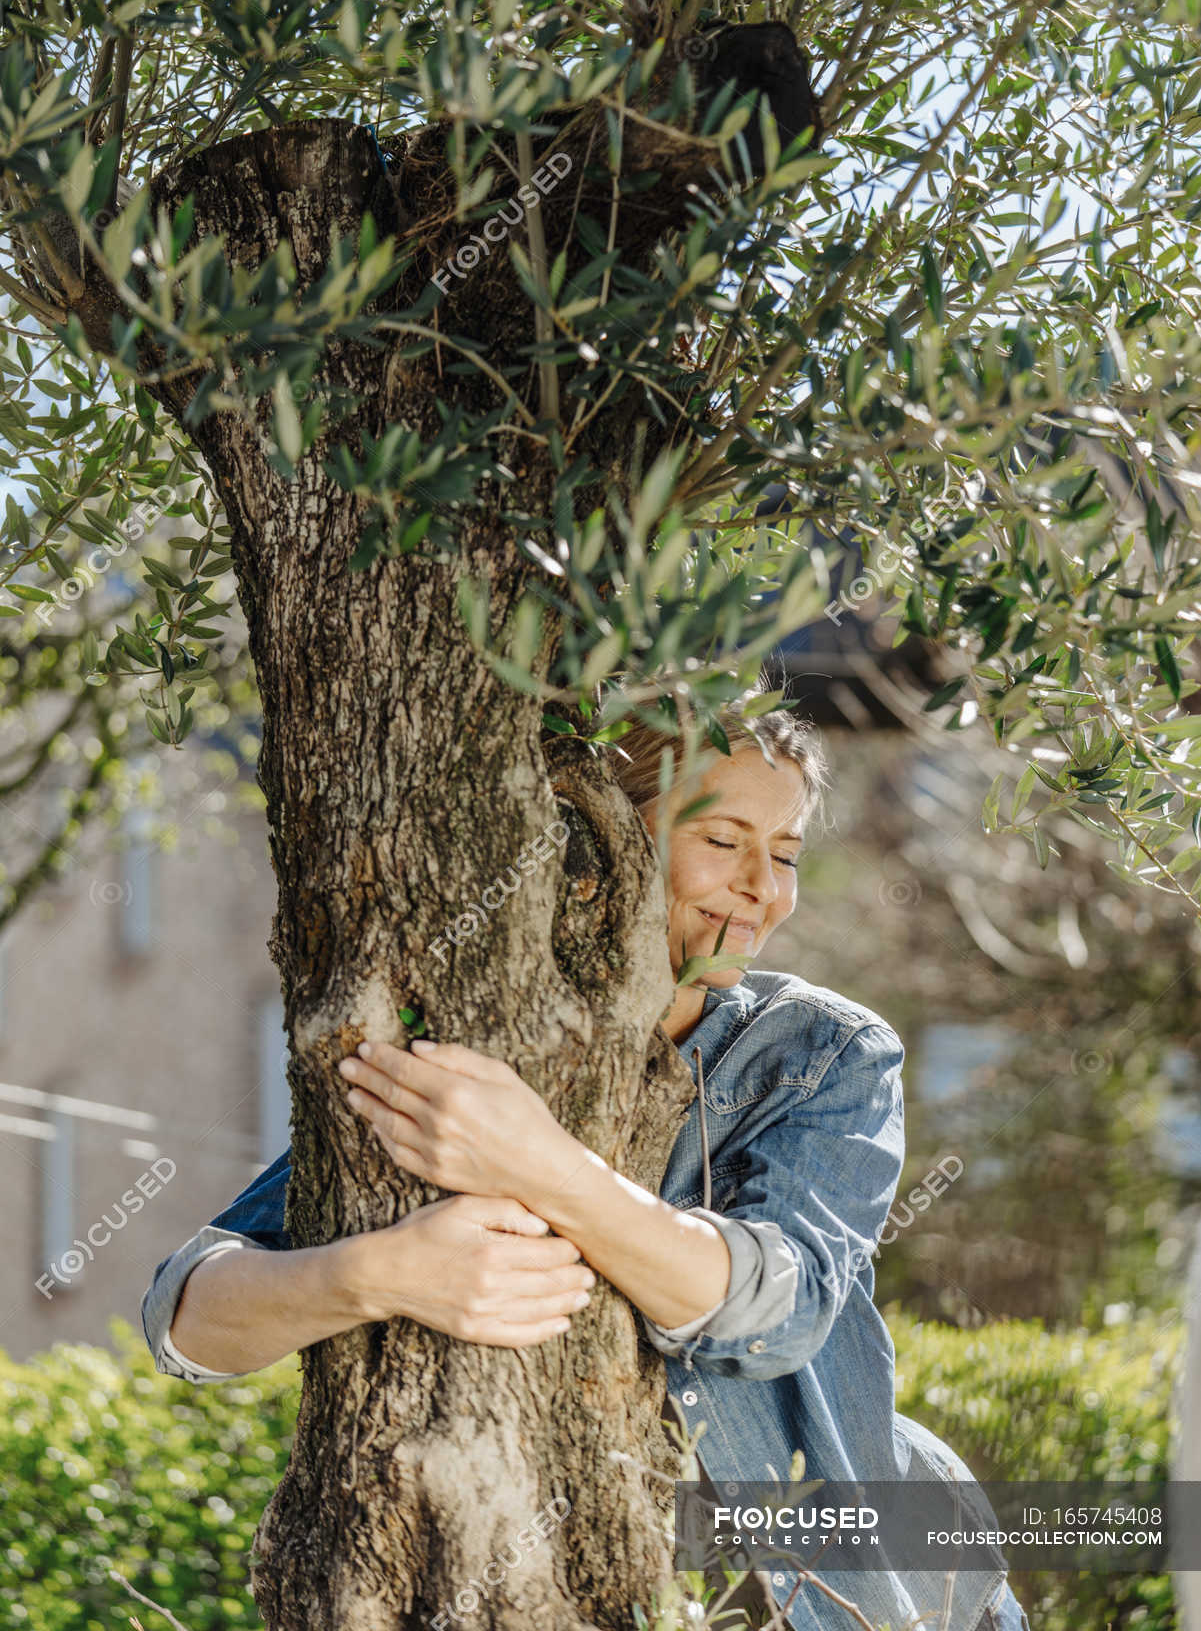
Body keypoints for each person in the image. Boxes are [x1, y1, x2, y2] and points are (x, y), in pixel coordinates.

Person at [141, 689, 1031, 1631]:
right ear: (605, 837)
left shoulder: (817, 1053)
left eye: (784, 855)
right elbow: (185, 1318)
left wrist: (541, 1164)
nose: (763, 888)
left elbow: (781, 1314)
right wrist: (376, 1274)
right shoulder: (480, 1048)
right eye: (724, 843)